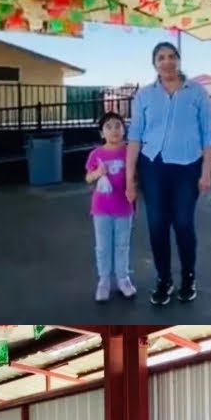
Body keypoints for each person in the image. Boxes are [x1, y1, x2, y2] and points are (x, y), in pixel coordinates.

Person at [125, 42, 211, 307]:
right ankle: (163, 279)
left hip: (188, 168)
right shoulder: (144, 96)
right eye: (160, 58)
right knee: (157, 225)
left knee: (183, 223)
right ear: (154, 63)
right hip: (153, 166)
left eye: (171, 57)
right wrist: (130, 178)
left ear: (178, 60)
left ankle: (188, 277)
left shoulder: (197, 93)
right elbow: (134, 137)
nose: (166, 62)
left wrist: (206, 172)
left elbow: (208, 135)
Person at [85, 111, 137, 302]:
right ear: (102, 133)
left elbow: (136, 176)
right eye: (108, 127)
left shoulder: (130, 151)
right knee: (103, 247)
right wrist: (98, 172)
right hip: (101, 208)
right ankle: (104, 281)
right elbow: (88, 178)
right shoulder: (96, 154)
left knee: (122, 246)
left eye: (118, 125)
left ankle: (123, 279)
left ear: (124, 129)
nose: (114, 130)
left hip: (124, 207)